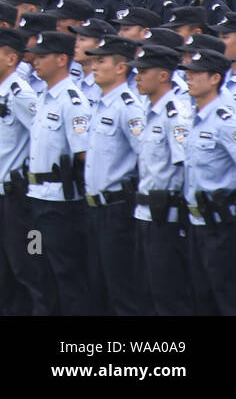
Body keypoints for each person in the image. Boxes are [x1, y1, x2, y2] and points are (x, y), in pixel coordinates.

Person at [25, 30, 93, 315]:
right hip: (35, 199)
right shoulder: (44, 96)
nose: (35, 62)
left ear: (62, 59)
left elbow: (84, 155)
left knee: (65, 271)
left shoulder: (72, 101)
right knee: (37, 265)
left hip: (59, 205)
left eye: (42, 57)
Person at [81, 36, 147, 316]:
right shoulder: (100, 102)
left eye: (101, 61)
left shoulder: (128, 106)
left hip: (116, 208)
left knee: (121, 288)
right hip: (93, 207)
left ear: (121, 67)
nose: (94, 66)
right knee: (96, 285)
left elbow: (145, 154)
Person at [0, 26, 41, 316]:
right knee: (2, 270)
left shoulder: (20, 94)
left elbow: (42, 139)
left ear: (12, 58)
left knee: (26, 269)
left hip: (16, 201)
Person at [128, 46, 194, 315]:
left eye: (144, 71)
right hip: (144, 212)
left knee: (168, 294)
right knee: (146, 290)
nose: (138, 76)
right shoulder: (147, 110)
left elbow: (184, 167)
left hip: (165, 216)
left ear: (164, 75)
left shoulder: (173, 114)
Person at [182, 48, 236, 314]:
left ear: (215, 78)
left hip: (221, 225)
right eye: (188, 74)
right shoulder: (197, 117)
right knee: (201, 297)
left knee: (224, 297)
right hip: (196, 222)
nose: (189, 78)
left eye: (195, 74)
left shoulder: (225, 121)